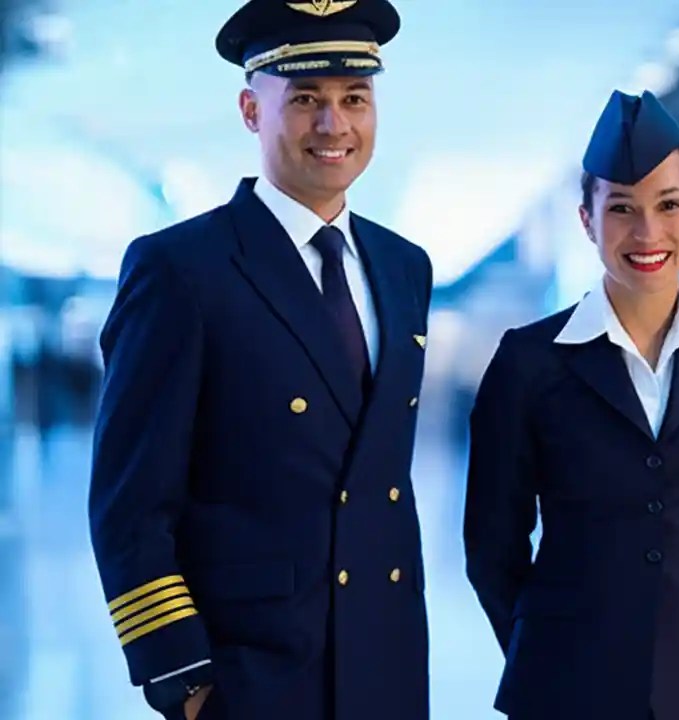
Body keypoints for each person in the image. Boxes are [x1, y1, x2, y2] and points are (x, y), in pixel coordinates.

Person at [87, 1, 433, 718]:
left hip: (387, 662)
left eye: (354, 100)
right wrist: (182, 677)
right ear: (251, 110)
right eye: (305, 100)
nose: (333, 125)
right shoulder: (182, 270)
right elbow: (130, 504)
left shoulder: (405, 267)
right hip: (252, 676)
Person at [463, 89, 679, 720]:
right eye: (621, 209)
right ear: (586, 220)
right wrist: (552, 646)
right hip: (566, 687)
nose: (647, 233)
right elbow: (491, 545)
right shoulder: (529, 362)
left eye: (669, 205)